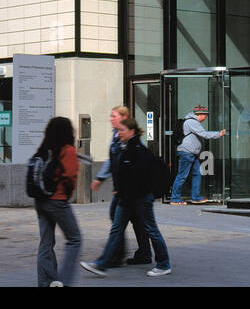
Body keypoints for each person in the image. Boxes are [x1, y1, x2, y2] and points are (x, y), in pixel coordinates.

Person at [82, 119, 171, 278]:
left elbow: (138, 178)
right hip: (126, 198)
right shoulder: (122, 148)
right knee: (116, 230)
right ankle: (102, 264)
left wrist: (126, 193)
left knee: (151, 229)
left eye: (122, 130)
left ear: (132, 131)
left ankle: (164, 264)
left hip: (140, 199)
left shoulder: (138, 150)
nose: (119, 133)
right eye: (118, 130)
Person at [90, 105, 150, 266]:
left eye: (114, 116)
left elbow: (132, 163)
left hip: (129, 190)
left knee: (119, 222)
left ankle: (112, 257)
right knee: (138, 221)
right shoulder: (117, 135)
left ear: (123, 117)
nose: (111, 118)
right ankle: (143, 253)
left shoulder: (130, 137)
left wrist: (103, 179)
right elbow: (113, 160)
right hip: (125, 189)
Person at [32, 116, 82, 287]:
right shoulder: (68, 150)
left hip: (40, 201)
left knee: (46, 243)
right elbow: (70, 176)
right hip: (58, 201)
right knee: (75, 239)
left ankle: (45, 283)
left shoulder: (44, 148)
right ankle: (63, 282)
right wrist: (66, 195)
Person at [170, 104, 226, 204]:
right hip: (186, 152)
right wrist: (219, 134)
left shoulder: (191, 121)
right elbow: (204, 134)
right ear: (201, 115)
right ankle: (175, 199)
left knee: (197, 174)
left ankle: (195, 197)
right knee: (182, 176)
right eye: (205, 115)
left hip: (191, 153)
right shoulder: (192, 122)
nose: (205, 118)